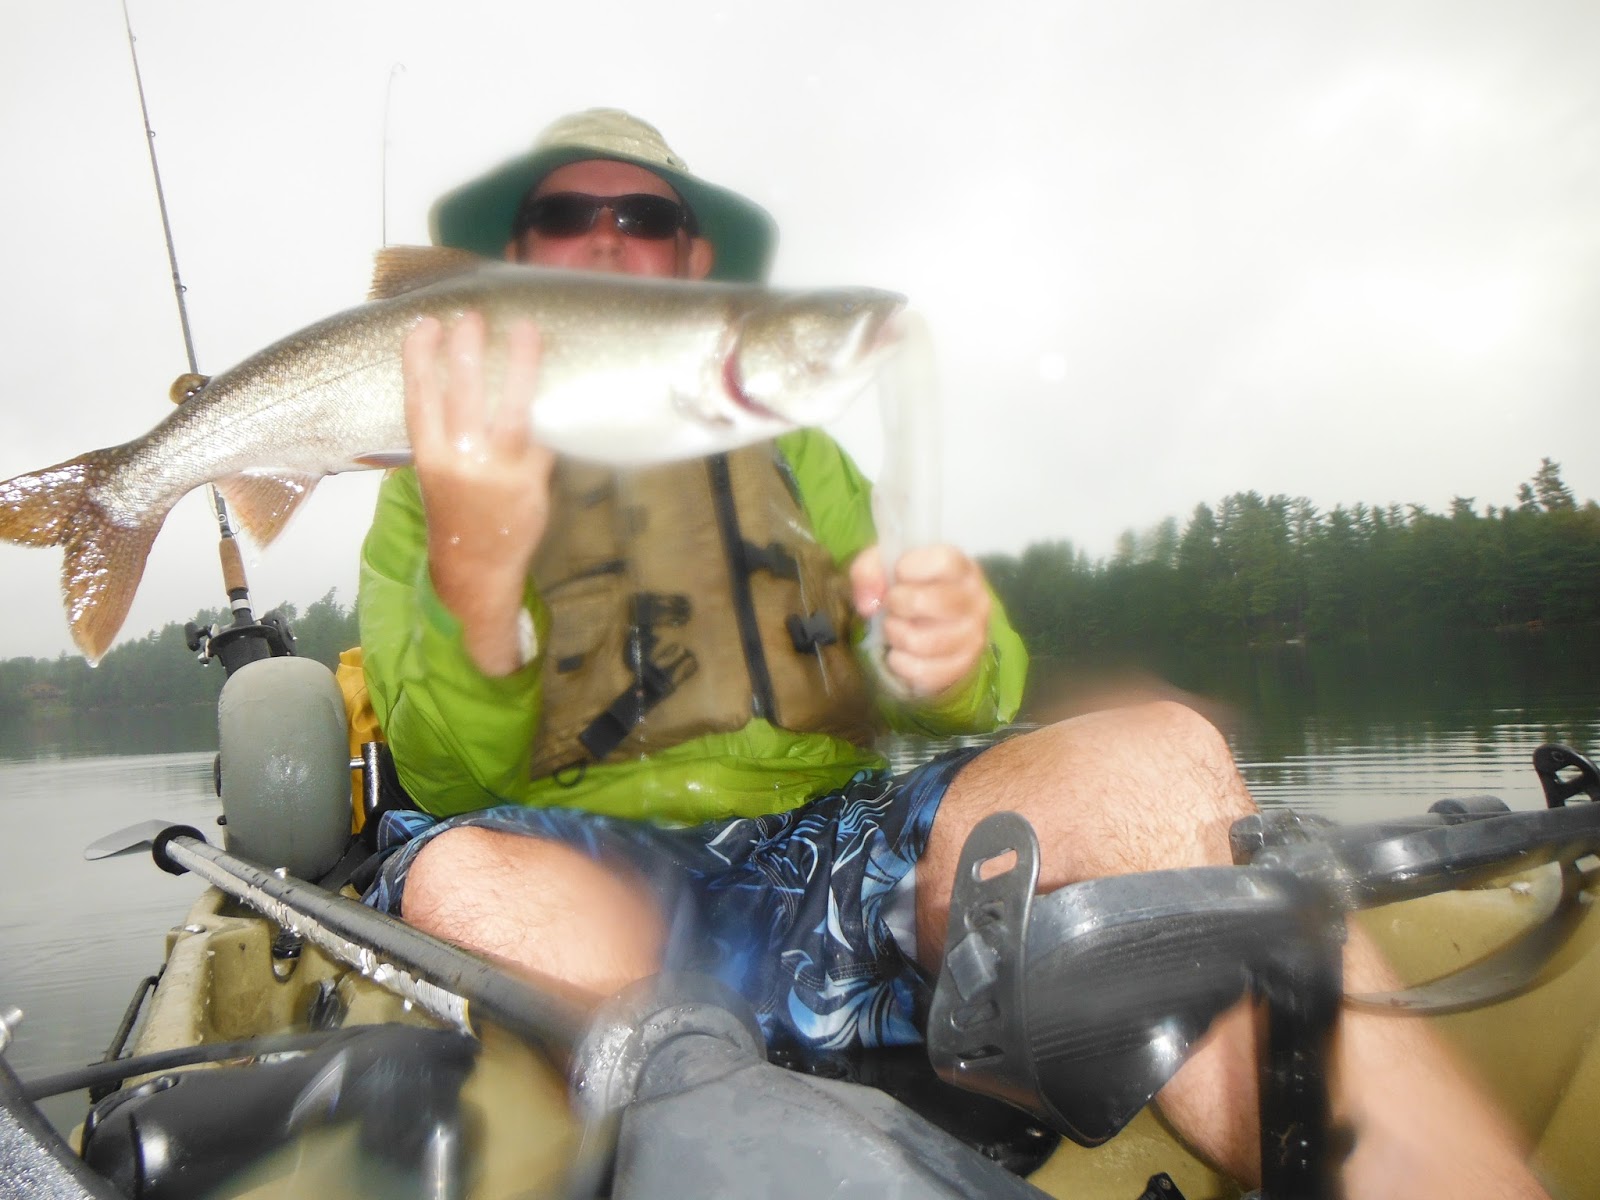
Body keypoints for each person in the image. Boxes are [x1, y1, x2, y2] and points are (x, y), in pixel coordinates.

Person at [357, 109, 1547, 1195]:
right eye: (565, 216)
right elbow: (451, 781)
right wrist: (476, 579)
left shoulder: (797, 459)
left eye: (646, 216)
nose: (607, 242)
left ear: (691, 261)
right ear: (514, 264)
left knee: (1159, 756)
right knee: (459, 879)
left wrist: (950, 658)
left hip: (829, 845)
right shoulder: (427, 484)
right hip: (572, 863)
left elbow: (938, 692)